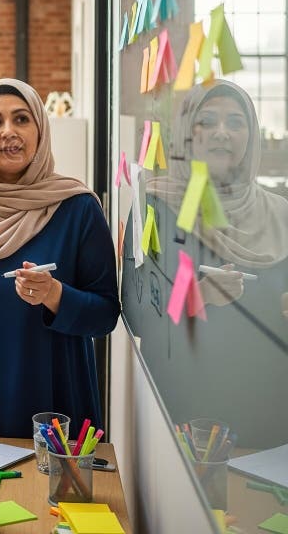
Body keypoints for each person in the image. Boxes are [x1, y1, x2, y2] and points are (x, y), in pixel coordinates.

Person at [0, 78, 120, 437]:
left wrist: (54, 295)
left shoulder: (78, 208)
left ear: (40, 130)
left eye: (22, 119)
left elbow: (105, 314)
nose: (8, 131)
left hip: (51, 397)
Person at [122, 79, 288, 448]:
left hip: (269, 414)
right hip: (188, 412)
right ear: (186, 134)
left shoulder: (281, 213)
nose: (222, 133)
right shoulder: (155, 206)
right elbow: (134, 310)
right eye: (207, 121)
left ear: (252, 135)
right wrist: (197, 296)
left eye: (236, 122)